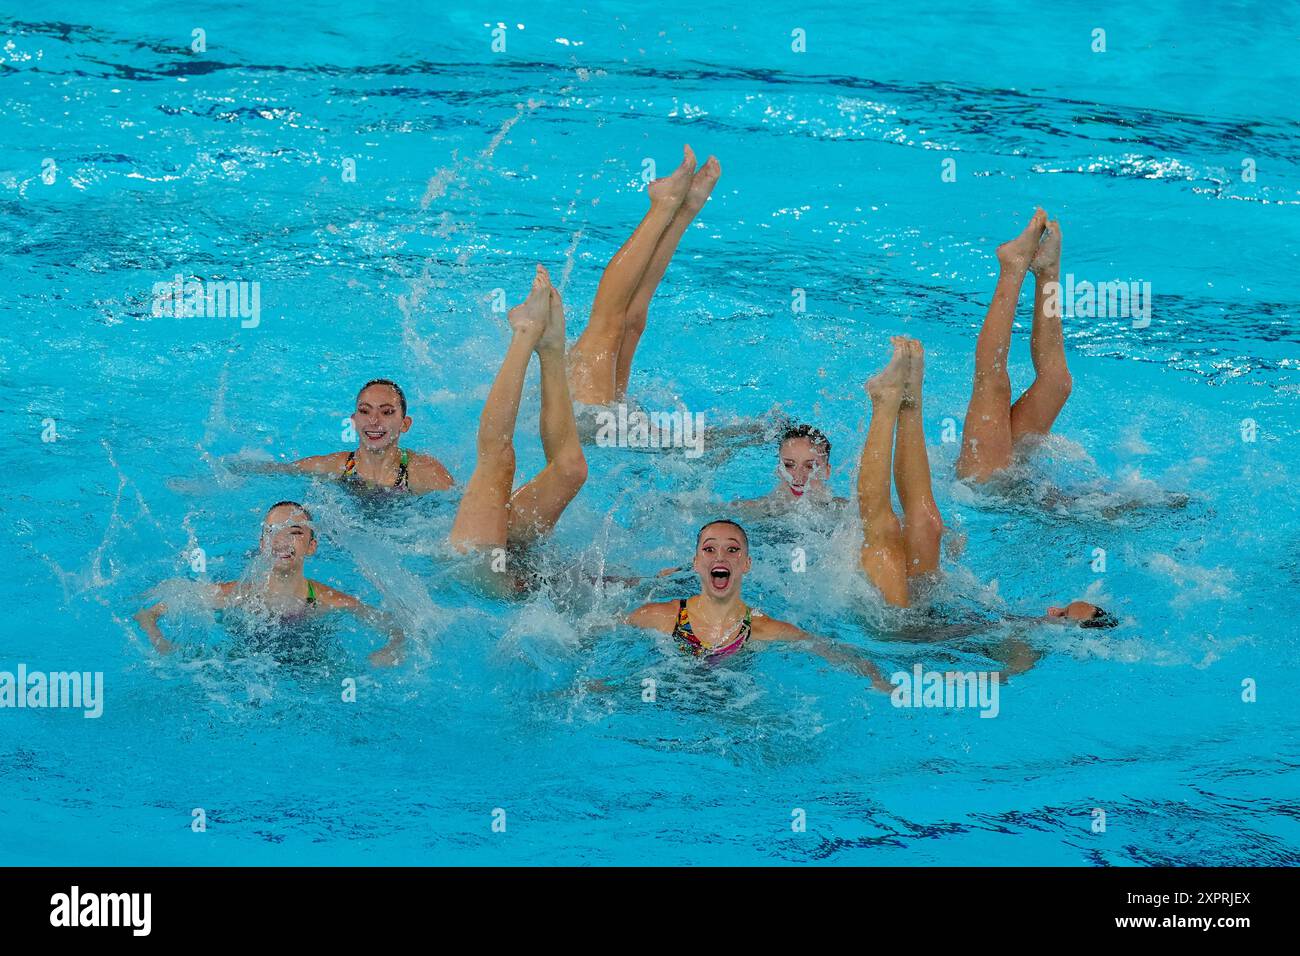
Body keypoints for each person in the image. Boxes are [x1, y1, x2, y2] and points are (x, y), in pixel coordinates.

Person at [627, 519, 893, 688]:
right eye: (709, 549)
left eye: (732, 550)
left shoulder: (762, 628)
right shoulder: (662, 617)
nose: (720, 556)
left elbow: (830, 650)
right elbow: (596, 631)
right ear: (696, 563)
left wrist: (878, 679)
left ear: (746, 564)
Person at [132, 501, 405, 665]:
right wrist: (161, 643)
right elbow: (150, 613)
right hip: (244, 662)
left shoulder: (327, 600)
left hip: (309, 663)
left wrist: (391, 649)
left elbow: (394, 625)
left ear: (311, 546)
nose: (282, 542)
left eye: (294, 533)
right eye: (272, 533)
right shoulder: (237, 595)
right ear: (262, 544)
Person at [448, 265, 588, 565]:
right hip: (495, 570)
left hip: (478, 566)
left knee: (500, 462)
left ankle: (536, 339)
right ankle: (543, 344)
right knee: (570, 470)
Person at [567, 145, 721, 407]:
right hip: (599, 423)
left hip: (590, 421)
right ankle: (678, 209)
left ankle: (668, 207)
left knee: (610, 327)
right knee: (630, 322)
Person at [956, 209, 1072, 482]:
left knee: (993, 384)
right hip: (1012, 481)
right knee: (1058, 384)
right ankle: (1047, 271)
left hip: (980, 482)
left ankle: (1012, 266)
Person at [243, 379, 454, 494]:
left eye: (387, 412)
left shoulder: (425, 473)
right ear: (354, 421)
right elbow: (280, 471)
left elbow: (467, 508)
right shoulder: (338, 466)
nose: (374, 421)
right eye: (365, 411)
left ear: (404, 424)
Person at [733, 423, 847, 515]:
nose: (798, 478)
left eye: (810, 466)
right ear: (779, 469)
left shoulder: (845, 512)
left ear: (827, 472)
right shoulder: (754, 510)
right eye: (788, 465)